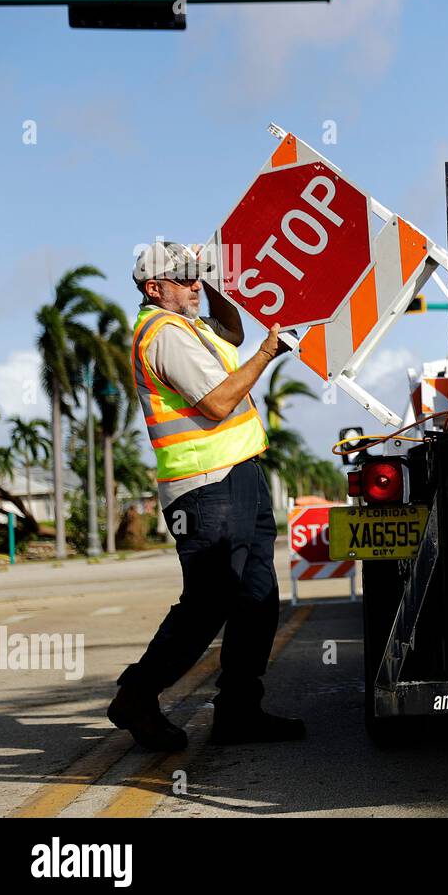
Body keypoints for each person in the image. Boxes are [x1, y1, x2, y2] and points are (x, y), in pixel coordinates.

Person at [107, 241, 305, 750]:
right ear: (155, 289)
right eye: (185, 278)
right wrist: (268, 352)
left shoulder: (190, 325)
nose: (195, 285)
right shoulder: (164, 334)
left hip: (239, 474)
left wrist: (212, 280)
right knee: (209, 602)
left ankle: (239, 710)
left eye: (198, 276)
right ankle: (137, 695)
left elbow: (233, 332)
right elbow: (218, 402)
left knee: (257, 598)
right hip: (205, 487)